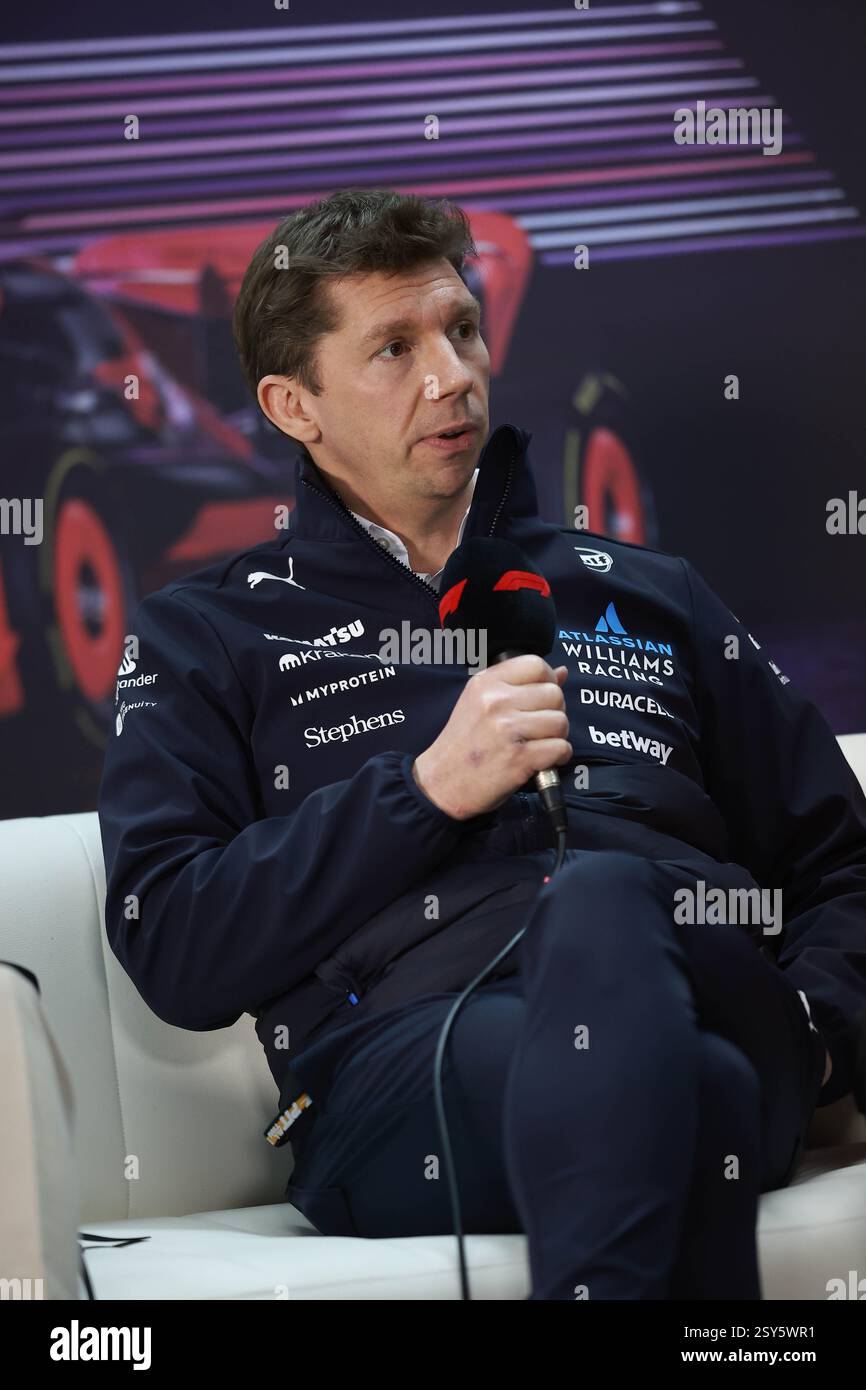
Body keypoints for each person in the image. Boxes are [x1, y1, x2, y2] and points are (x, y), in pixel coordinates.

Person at [98, 189, 866, 1300]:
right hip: (407, 1067)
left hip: (713, 988)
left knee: (613, 911)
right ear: (293, 404)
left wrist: (821, 1030)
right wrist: (420, 794)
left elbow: (842, 861)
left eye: (462, 329)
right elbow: (173, 942)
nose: (452, 374)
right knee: (687, 1077)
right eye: (394, 348)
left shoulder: (647, 589)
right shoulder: (206, 634)